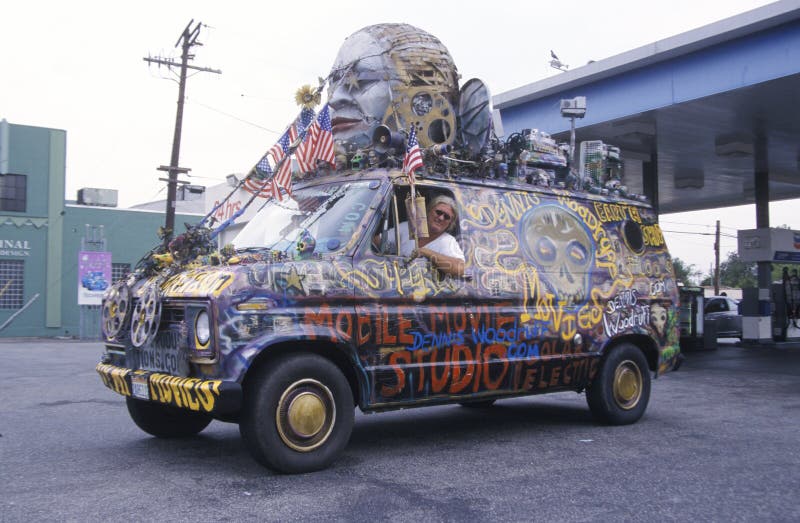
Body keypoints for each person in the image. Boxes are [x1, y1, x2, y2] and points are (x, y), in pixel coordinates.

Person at [378, 194, 465, 277]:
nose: (441, 218)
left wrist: (425, 252)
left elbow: (460, 269)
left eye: (446, 217)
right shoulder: (408, 227)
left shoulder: (448, 241)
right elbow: (378, 242)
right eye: (438, 212)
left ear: (450, 223)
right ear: (428, 211)